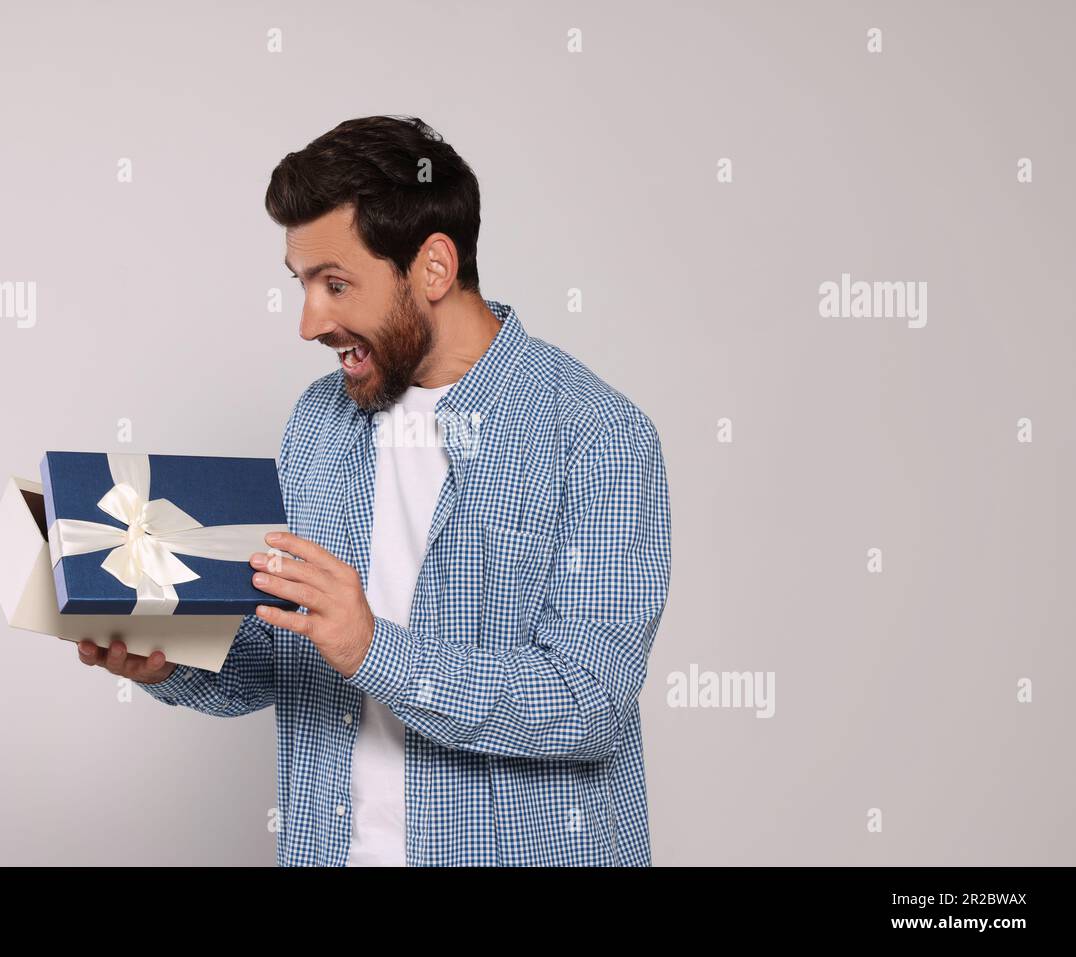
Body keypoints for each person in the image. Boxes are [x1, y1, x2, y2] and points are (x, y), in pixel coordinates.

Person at [72, 115, 672, 866]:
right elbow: (289, 651)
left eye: (335, 284)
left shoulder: (597, 434)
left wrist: (375, 648)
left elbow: (590, 702)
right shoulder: (318, 423)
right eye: (301, 285)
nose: (308, 322)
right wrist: (174, 661)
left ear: (433, 268)